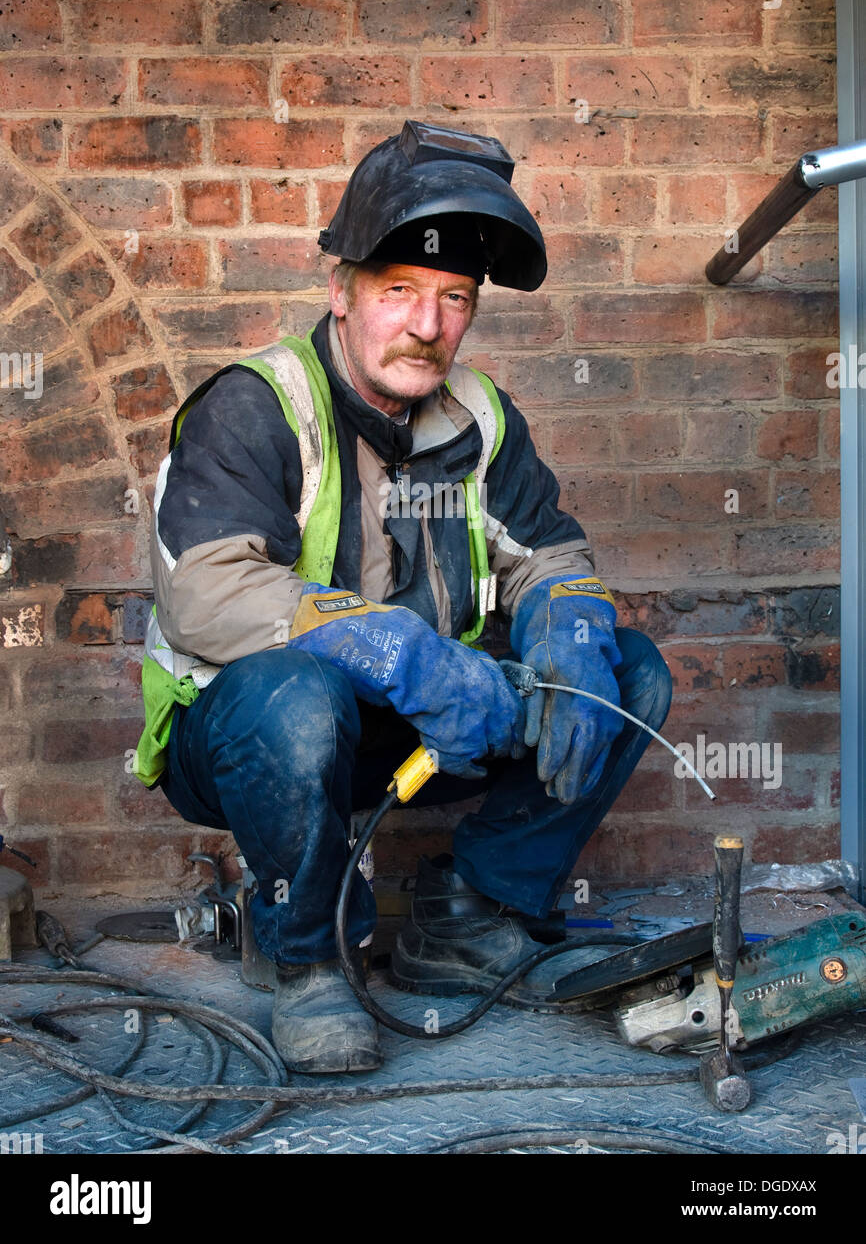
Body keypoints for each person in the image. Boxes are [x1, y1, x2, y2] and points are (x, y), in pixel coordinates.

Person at [133, 120, 673, 1074]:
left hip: (426, 723)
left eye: (453, 299)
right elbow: (207, 596)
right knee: (297, 699)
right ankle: (307, 961)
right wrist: (398, 649)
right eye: (399, 292)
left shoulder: (478, 416)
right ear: (342, 293)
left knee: (625, 672)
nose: (427, 325)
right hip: (252, 734)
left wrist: (568, 626)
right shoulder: (257, 405)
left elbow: (550, 556)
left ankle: (473, 914)